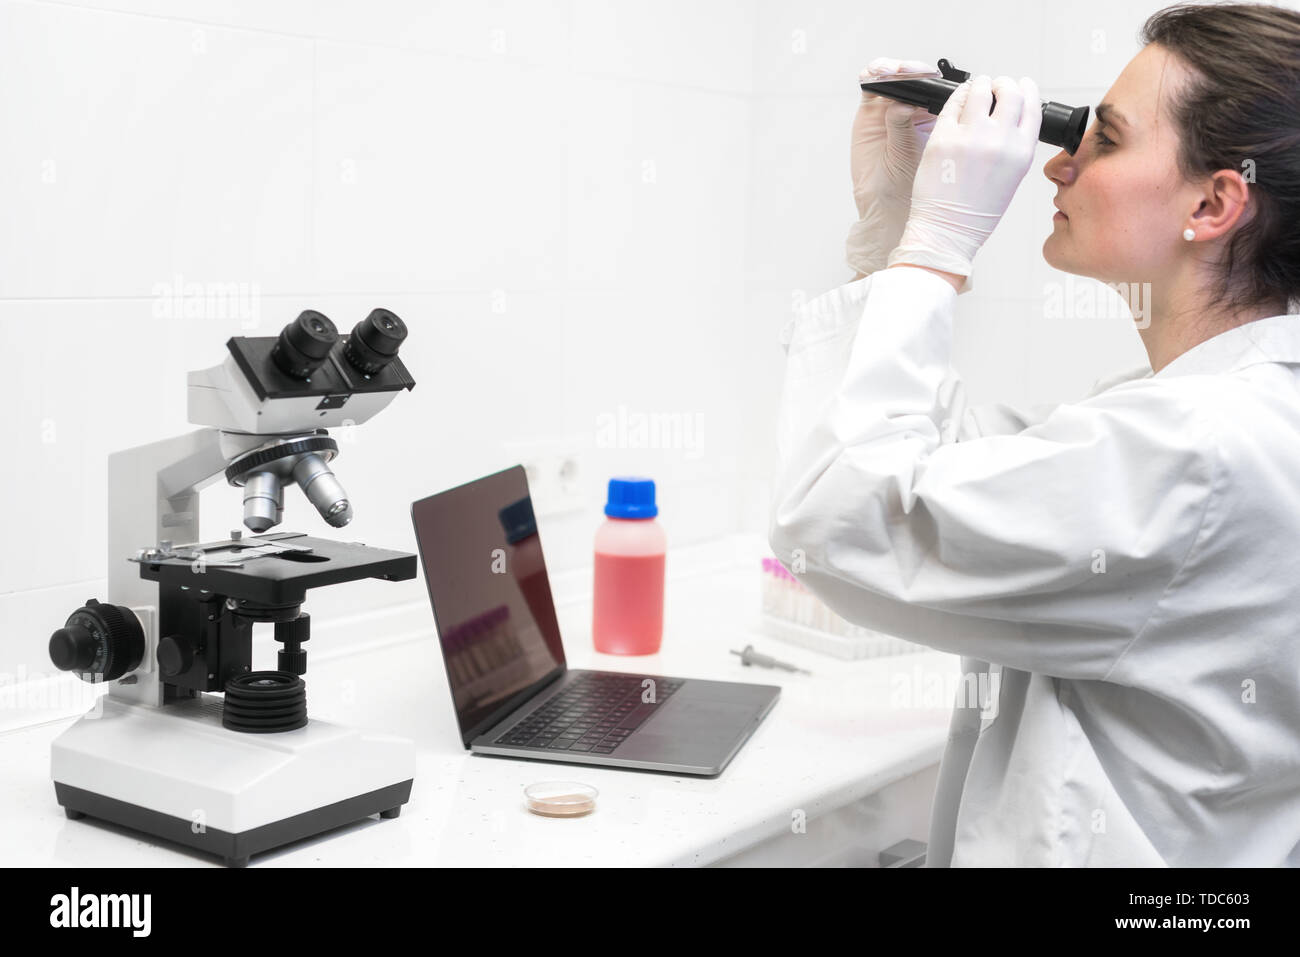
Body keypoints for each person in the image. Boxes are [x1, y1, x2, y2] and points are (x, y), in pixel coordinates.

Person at [768, 2, 1300, 866]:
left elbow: (845, 518)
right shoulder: (1220, 412)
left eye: (1106, 139)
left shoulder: (1201, 445)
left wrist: (935, 251)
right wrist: (893, 244)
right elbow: (944, 473)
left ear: (1213, 201)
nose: (1058, 164)